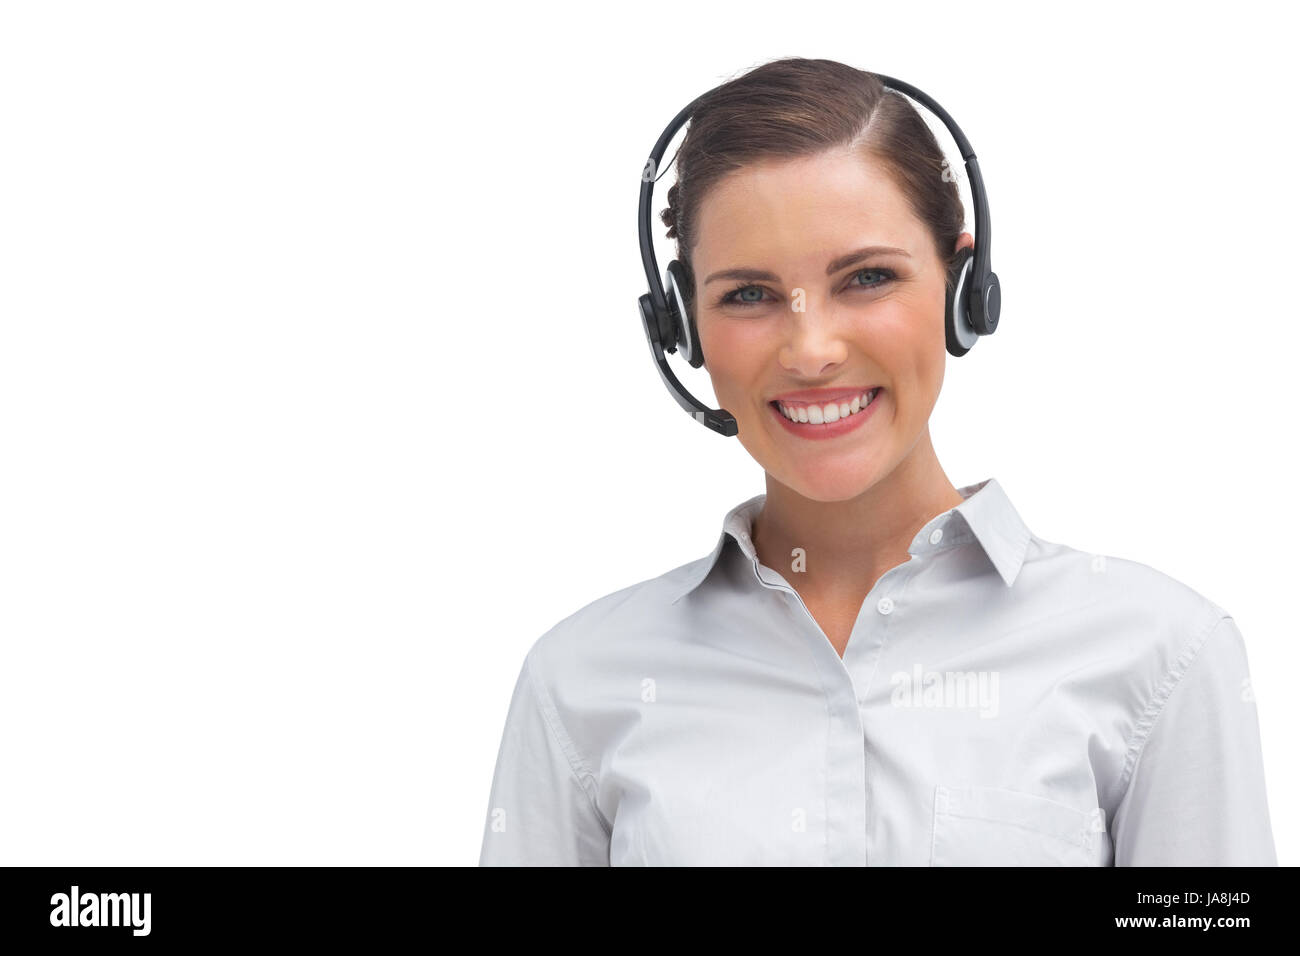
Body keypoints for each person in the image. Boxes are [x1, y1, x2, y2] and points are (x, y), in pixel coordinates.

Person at [477, 57, 1277, 866]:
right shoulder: (578, 683)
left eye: (867, 278)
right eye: (748, 295)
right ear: (681, 330)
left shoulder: (1162, 656)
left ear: (965, 291)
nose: (812, 351)